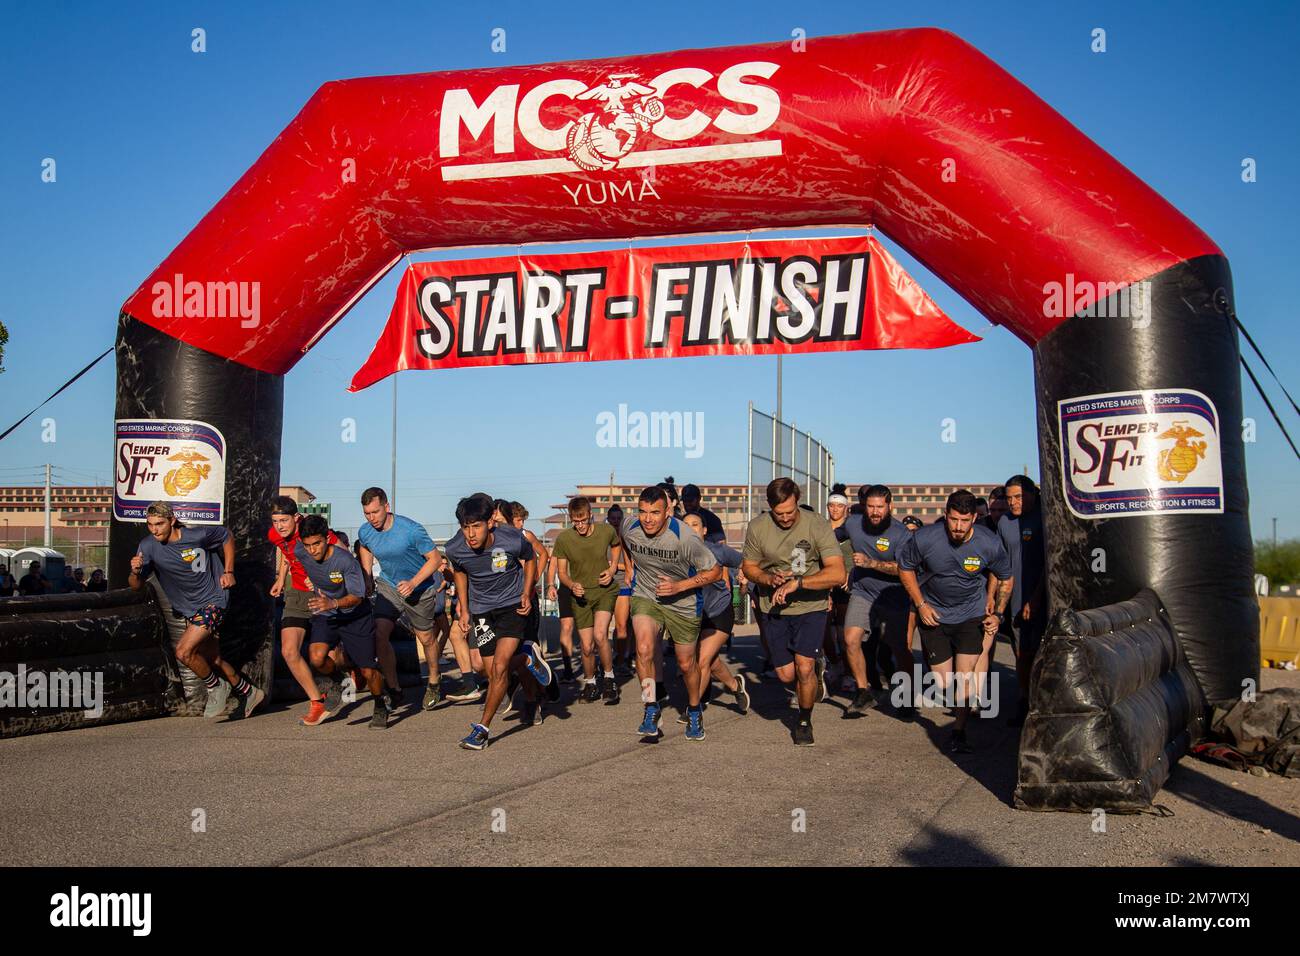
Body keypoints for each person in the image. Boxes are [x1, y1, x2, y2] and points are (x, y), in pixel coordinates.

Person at [897, 490, 1013, 754]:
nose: (958, 527)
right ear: (945, 514)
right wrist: (920, 604)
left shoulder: (989, 542)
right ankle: (956, 704)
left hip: (970, 615)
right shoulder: (925, 538)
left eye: (964, 521)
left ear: (974, 518)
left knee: (965, 678)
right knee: (943, 682)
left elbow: (1005, 576)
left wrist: (998, 613)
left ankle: (958, 732)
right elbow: (905, 568)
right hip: (934, 615)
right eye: (953, 519)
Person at [127, 501, 264, 719]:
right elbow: (136, 586)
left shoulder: (197, 535)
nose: (155, 530)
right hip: (191, 609)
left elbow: (227, 535)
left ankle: (215, 686)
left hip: (215, 599)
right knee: (213, 659)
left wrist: (229, 571)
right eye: (150, 524)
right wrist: (135, 572)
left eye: (159, 524)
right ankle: (249, 692)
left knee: (183, 652)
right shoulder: (148, 546)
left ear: (172, 521)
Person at [742, 478, 847, 746]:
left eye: (790, 511)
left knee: (804, 667)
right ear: (770, 506)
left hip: (811, 606)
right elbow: (749, 567)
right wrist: (767, 578)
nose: (786, 518)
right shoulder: (757, 527)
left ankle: (803, 720)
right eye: (779, 513)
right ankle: (813, 673)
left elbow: (837, 573)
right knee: (787, 675)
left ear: (797, 501)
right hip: (774, 607)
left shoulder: (817, 524)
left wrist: (799, 583)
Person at [446, 493, 552, 750]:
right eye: (465, 527)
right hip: (482, 610)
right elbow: (459, 572)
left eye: (476, 526)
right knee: (487, 669)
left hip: (512, 606)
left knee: (500, 667)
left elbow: (531, 559)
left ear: (490, 522)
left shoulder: (512, 538)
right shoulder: (455, 547)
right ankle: (526, 659)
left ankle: (482, 729)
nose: (471, 534)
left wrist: (526, 592)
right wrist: (465, 609)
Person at [621, 485, 721, 741]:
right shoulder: (630, 526)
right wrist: (630, 567)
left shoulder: (685, 538)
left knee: (686, 664)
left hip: (683, 603)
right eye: (643, 512)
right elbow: (623, 541)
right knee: (644, 649)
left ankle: (695, 709)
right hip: (647, 595)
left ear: (668, 512)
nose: (647, 519)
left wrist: (680, 586)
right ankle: (650, 707)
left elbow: (715, 572)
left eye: (655, 512)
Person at [290, 515, 394, 728]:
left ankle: (380, 704)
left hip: (355, 615)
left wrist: (334, 603)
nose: (313, 550)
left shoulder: (345, 561)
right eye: (308, 545)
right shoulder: (300, 551)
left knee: (367, 671)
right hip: (326, 613)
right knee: (316, 658)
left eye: (317, 543)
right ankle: (339, 681)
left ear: (327, 538)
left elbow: (358, 596)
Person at [356, 487, 442, 713]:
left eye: (375, 512)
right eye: (367, 513)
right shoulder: (365, 531)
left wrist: (413, 582)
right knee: (380, 633)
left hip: (419, 588)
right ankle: (394, 689)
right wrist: (367, 575)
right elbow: (364, 547)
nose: (371, 518)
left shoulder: (411, 530)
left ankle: (434, 681)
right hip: (389, 586)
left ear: (387, 507)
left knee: (426, 638)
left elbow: (435, 559)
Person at [842, 485, 915, 719]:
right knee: (850, 639)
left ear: (890, 506)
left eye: (880, 507)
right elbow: (831, 538)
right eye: (870, 506)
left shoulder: (901, 534)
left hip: (893, 595)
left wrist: (871, 563)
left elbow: (905, 569)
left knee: (899, 648)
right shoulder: (853, 523)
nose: (874, 512)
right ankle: (863, 691)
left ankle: (907, 696)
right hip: (863, 592)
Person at [268, 496, 343, 725]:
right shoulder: (275, 535)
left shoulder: (310, 531)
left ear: (296, 517)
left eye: (284, 520)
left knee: (328, 656)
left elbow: (342, 553)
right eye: (275, 521)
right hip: (297, 593)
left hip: (324, 594)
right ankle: (317, 702)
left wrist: (324, 579)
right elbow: (287, 554)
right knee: (289, 651)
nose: (279, 526)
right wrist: (281, 579)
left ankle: (344, 676)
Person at [552, 496, 623, 704]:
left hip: (604, 591)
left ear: (590, 515)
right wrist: (571, 584)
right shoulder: (564, 539)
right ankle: (591, 683)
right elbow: (562, 572)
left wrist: (612, 568)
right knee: (586, 646)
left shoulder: (606, 531)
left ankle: (609, 679)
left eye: (583, 520)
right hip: (580, 596)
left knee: (600, 635)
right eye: (576, 521)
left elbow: (617, 546)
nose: (580, 525)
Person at [681, 512, 750, 717]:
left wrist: (744, 577)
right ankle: (735, 685)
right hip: (693, 615)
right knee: (711, 662)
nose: (690, 528)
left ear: (704, 530)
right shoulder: (676, 554)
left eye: (695, 525)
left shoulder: (717, 550)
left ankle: (693, 709)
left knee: (702, 660)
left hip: (719, 611)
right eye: (685, 525)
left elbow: (745, 563)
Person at [999, 475, 1047, 727]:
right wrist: (996, 600)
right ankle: (1025, 702)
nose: (1013, 503)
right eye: (1009, 498)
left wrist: (1036, 598)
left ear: (1032, 494)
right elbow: (1001, 564)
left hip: (1043, 599)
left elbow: (1051, 562)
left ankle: (1044, 706)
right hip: (1016, 602)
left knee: (1043, 655)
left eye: (1018, 497)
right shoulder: (1004, 522)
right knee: (1021, 654)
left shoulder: (1045, 516)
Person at [825, 484, 852, 682]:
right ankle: (834, 663)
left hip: (845, 585)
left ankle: (849, 673)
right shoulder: (821, 529)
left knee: (844, 634)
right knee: (823, 632)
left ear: (846, 508)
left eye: (839, 506)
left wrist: (851, 573)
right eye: (831, 505)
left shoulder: (852, 529)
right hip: (825, 584)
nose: (835, 509)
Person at [606, 504, 634, 679]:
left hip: (623, 584)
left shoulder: (627, 539)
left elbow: (633, 565)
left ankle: (622, 661)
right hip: (605, 585)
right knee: (602, 628)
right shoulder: (603, 539)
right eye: (613, 518)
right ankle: (607, 660)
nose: (616, 522)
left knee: (622, 625)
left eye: (618, 518)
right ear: (608, 519)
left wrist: (615, 565)